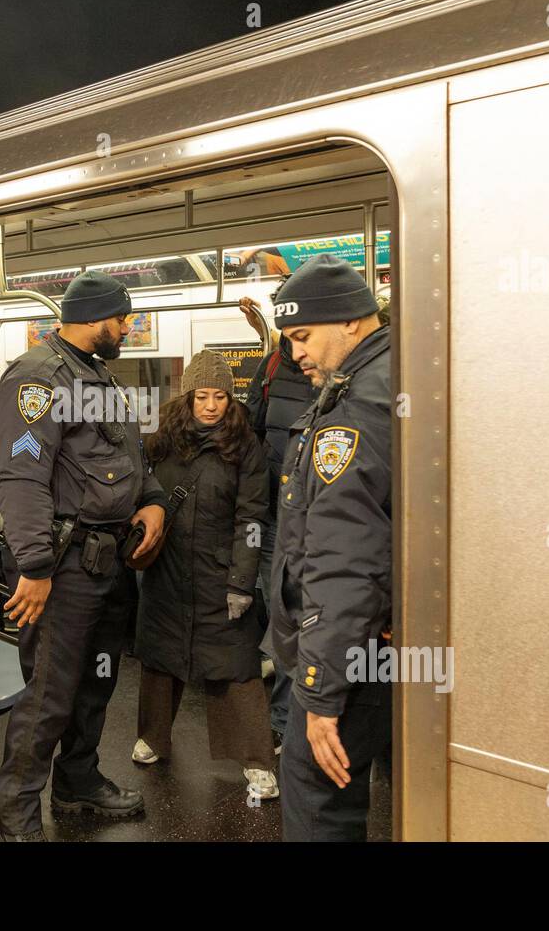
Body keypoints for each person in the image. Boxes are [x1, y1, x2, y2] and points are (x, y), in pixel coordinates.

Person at [0, 269, 167, 842]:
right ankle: (15, 807)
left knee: (97, 680)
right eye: (122, 317)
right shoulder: (39, 376)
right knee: (50, 692)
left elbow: (126, 458)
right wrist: (36, 566)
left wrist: (155, 502)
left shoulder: (97, 376)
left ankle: (77, 778)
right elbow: (20, 474)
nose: (127, 326)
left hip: (108, 560)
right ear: (96, 317)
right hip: (61, 567)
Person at [269, 254, 393, 842]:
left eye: (302, 336)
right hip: (367, 643)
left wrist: (319, 688)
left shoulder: (357, 408)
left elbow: (345, 558)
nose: (297, 355)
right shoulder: (377, 379)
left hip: (349, 654)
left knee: (317, 800)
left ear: (350, 321)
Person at [131, 350, 276, 798]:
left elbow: (252, 517)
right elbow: (137, 482)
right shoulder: (162, 437)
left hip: (220, 572)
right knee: (160, 658)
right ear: (188, 396)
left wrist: (241, 580)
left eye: (220, 396)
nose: (211, 406)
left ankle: (257, 760)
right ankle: (153, 737)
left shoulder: (246, 446)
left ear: (231, 399)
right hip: (169, 570)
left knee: (235, 665)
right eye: (202, 396)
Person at [243, 288, 320, 752]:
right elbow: (250, 433)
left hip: (314, 520)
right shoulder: (270, 368)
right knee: (278, 611)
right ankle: (282, 716)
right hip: (272, 513)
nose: (299, 348)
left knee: (304, 616)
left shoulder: (340, 376)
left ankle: (292, 718)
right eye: (290, 335)